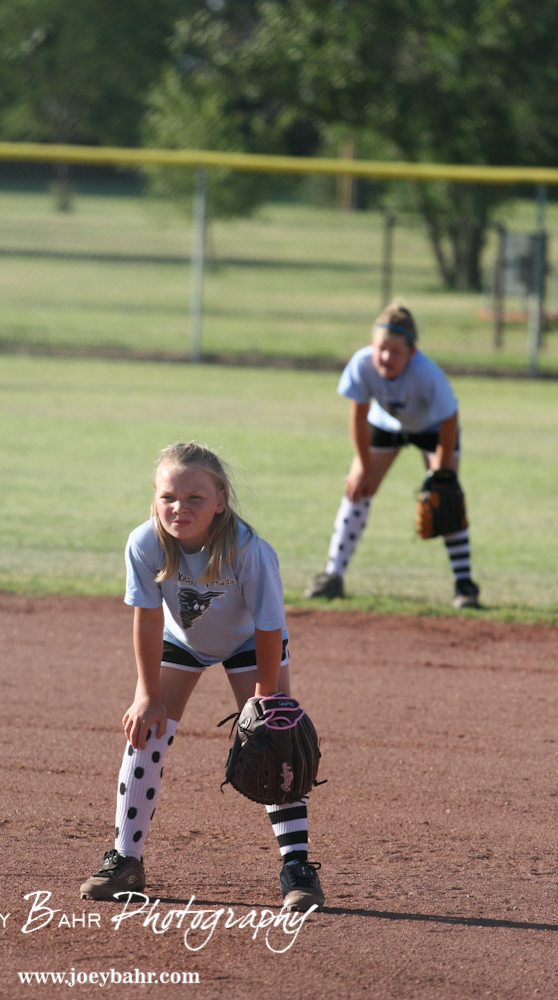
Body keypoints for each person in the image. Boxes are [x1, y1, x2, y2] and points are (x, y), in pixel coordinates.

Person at [80, 441, 324, 911]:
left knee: (277, 739)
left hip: (251, 641)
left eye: (195, 498)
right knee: (145, 730)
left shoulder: (249, 550)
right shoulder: (145, 542)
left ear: (220, 500)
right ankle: (125, 860)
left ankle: (297, 867)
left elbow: (270, 626)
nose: (179, 507)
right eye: (168, 497)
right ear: (154, 498)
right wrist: (148, 695)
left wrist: (265, 700)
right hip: (183, 640)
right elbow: (148, 619)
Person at [306, 302, 480, 609]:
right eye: (380, 348)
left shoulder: (427, 374)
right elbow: (358, 417)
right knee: (357, 490)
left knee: (446, 497)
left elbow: (449, 418)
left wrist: (441, 473)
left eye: (395, 351)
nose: (386, 357)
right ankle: (333, 575)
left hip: (433, 429)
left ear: (411, 352)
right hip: (385, 424)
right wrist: (361, 464)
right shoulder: (362, 364)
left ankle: (465, 585)